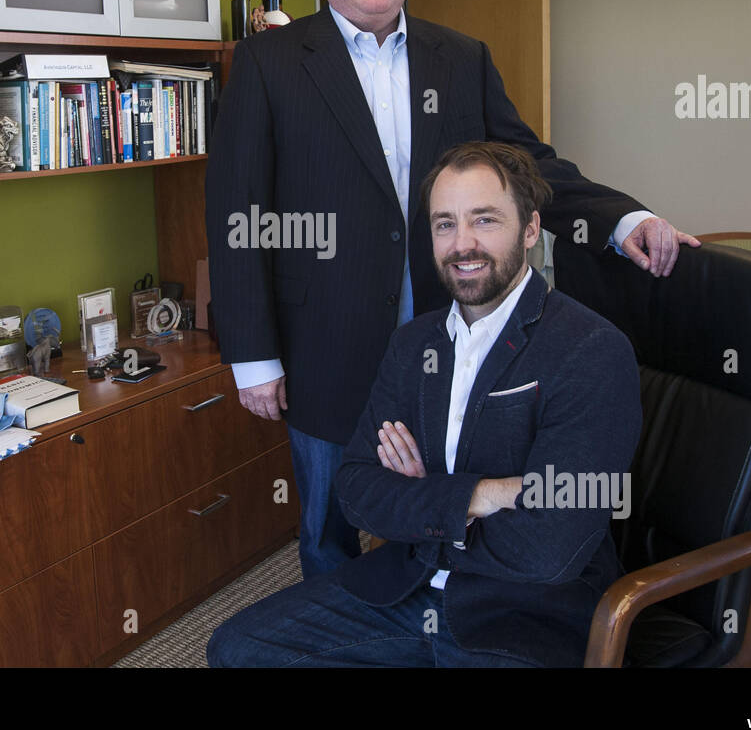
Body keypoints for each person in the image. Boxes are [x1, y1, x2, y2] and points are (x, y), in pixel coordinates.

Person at [204, 0, 696, 578]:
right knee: (327, 525)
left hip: (448, 331)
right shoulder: (269, 62)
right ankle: (344, 635)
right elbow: (237, 213)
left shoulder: (461, 58)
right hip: (325, 345)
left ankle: (437, 620)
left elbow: (530, 165)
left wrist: (624, 220)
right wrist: (253, 355)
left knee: (441, 500)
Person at [207, 142, 641, 667]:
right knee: (237, 649)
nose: (463, 244)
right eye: (444, 224)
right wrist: (481, 496)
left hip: (524, 615)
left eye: (484, 220)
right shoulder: (414, 345)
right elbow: (358, 492)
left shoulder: (589, 349)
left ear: (529, 229)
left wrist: (419, 505)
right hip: (407, 589)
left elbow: (550, 545)